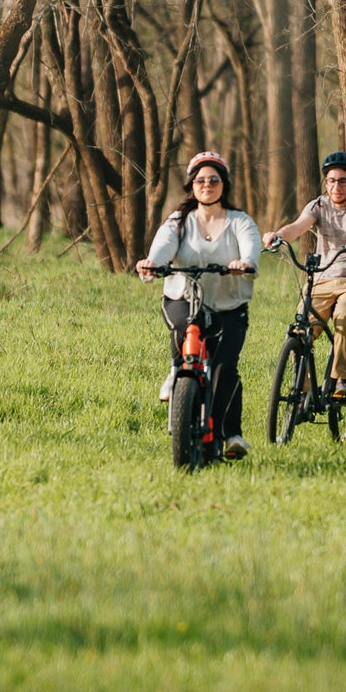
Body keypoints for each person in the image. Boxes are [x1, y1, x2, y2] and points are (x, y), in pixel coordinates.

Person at [137, 151, 262, 461]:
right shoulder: (179, 221)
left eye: (214, 179)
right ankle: (176, 370)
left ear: (224, 184)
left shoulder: (240, 221)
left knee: (224, 368)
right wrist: (153, 263)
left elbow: (251, 247)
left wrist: (245, 262)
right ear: (192, 185)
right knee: (184, 326)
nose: (207, 185)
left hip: (228, 305)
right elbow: (163, 246)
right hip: (184, 297)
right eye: (201, 180)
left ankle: (230, 434)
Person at [261, 151, 346, 404]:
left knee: (343, 314)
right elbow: (297, 226)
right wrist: (279, 235)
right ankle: (304, 390)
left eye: (342, 181)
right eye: (330, 181)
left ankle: (342, 381)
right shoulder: (318, 205)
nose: (335, 187)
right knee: (302, 328)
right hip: (323, 280)